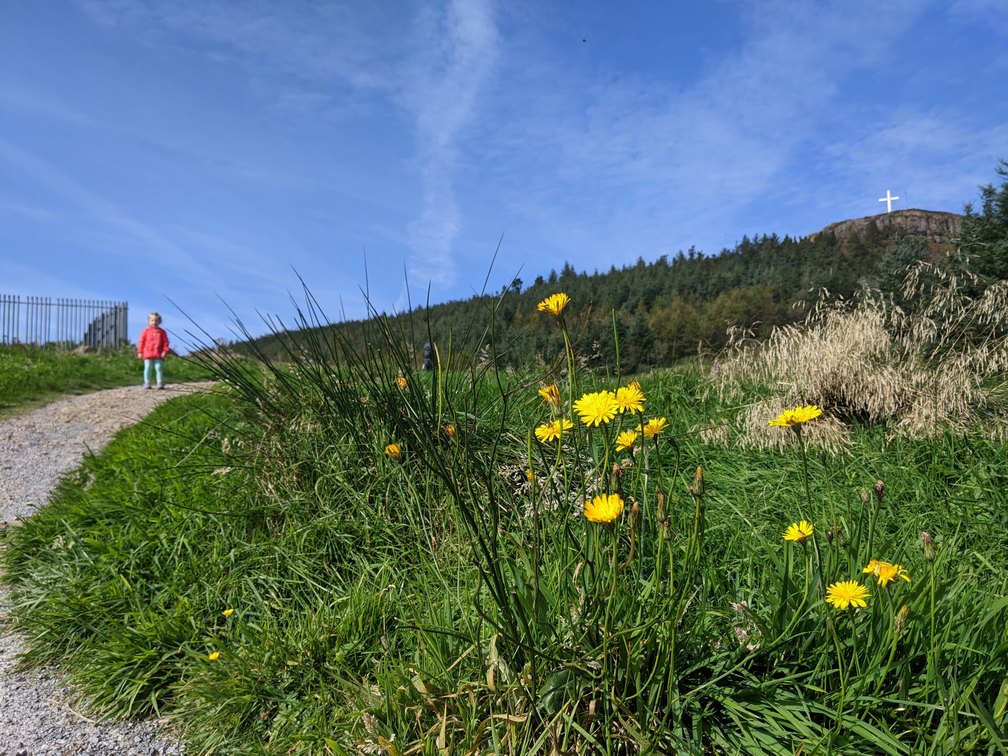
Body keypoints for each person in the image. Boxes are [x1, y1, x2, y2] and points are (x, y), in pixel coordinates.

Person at [137, 311, 170, 389]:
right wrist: (140, 352)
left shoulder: (162, 332)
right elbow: (141, 341)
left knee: (159, 367)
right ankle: (147, 382)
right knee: (148, 367)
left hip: (159, 354)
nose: (154, 322)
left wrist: (165, 351)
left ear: (159, 321)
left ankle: (160, 382)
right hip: (148, 354)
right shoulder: (145, 331)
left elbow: (166, 342)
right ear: (148, 321)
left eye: (156, 320)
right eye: (152, 320)